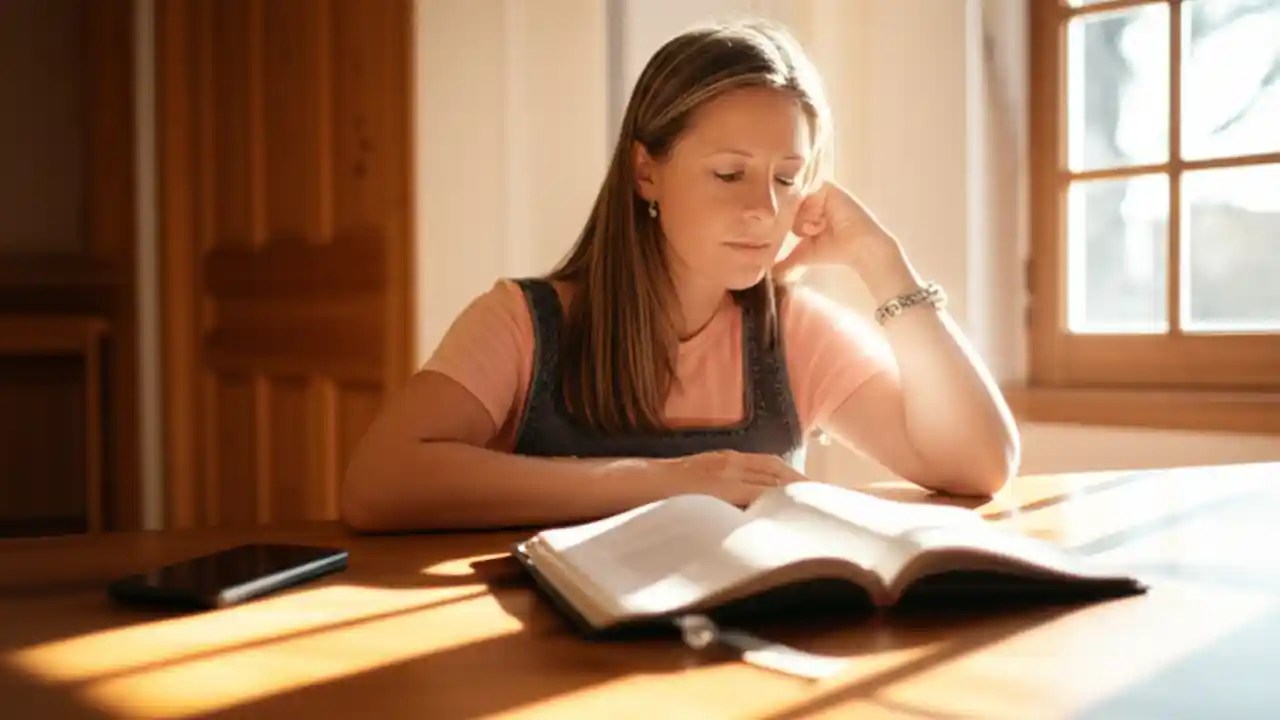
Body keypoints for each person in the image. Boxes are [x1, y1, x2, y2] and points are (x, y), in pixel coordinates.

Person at [342, 20, 1019, 532]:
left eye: (787, 178)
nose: (764, 209)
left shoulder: (793, 331)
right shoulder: (521, 321)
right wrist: (667, 481)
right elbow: (378, 483)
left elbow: (979, 466)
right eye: (729, 173)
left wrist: (883, 262)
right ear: (646, 172)